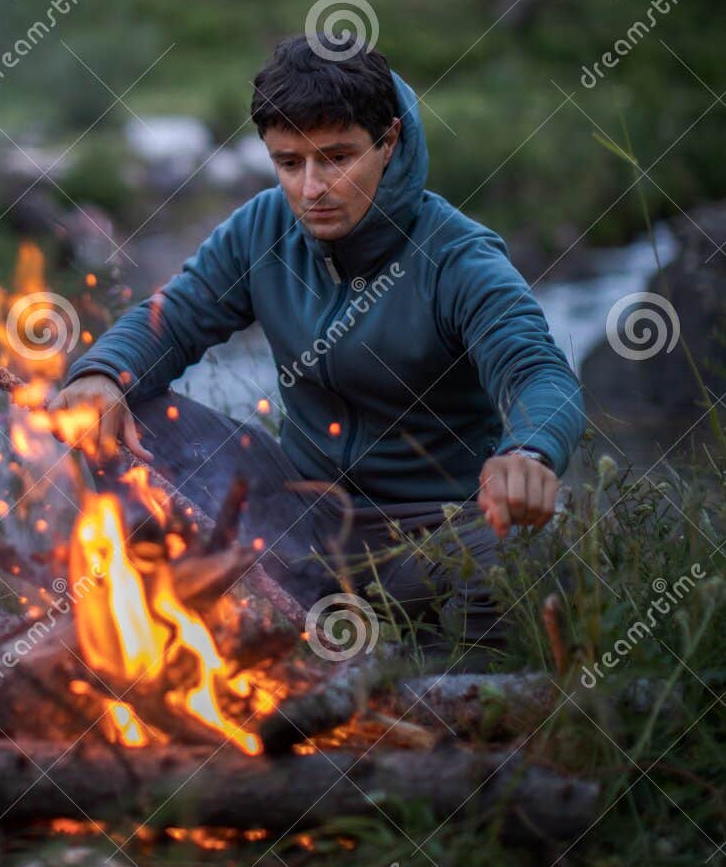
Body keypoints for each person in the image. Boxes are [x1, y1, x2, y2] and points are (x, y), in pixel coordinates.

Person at [49, 34, 586, 654]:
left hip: (437, 542)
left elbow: (538, 372)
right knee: (130, 418)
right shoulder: (262, 228)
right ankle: (164, 639)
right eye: (289, 163)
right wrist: (103, 373)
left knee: (528, 542)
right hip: (299, 529)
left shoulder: (459, 258)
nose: (311, 189)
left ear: (388, 143)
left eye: (336, 158)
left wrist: (530, 453)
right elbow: (173, 319)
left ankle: (448, 688)